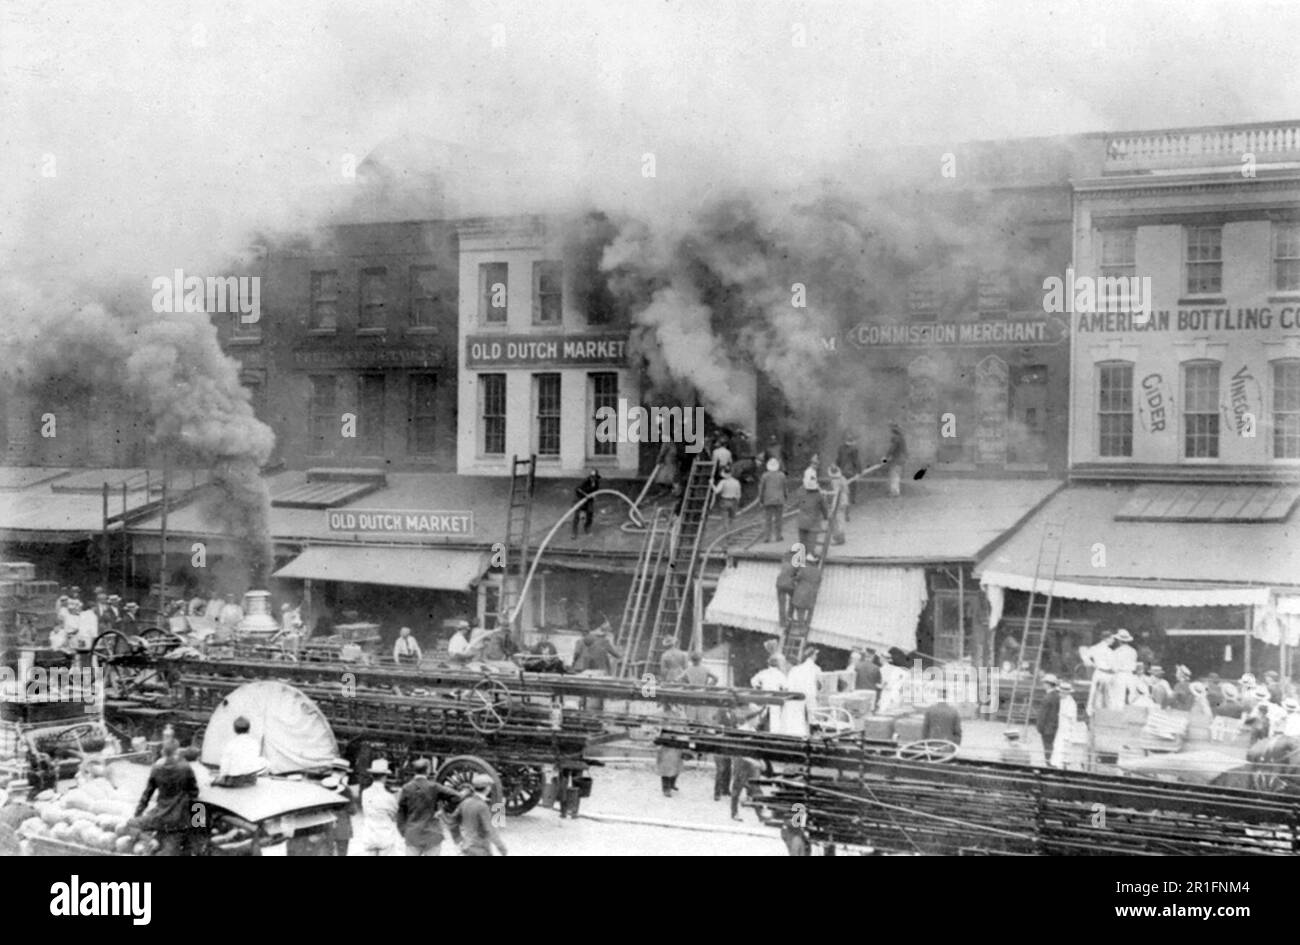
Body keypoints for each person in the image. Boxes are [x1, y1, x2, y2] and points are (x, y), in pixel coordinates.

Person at [134, 739, 200, 856]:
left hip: (160, 816)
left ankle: (152, 842)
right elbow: (194, 792)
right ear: (178, 751)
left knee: (129, 824)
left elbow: (147, 794)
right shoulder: (186, 768)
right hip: (180, 818)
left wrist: (138, 812)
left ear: (163, 752)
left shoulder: (156, 768)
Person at [396, 758, 460, 856]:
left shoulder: (406, 788)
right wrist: (444, 810)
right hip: (432, 835)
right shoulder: (434, 787)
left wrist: (404, 832)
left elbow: (400, 813)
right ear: (428, 770)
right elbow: (456, 797)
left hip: (413, 834)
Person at [454, 774, 508, 855]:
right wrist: (501, 848)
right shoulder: (482, 806)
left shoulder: (465, 802)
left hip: (466, 847)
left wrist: (459, 840)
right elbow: (490, 830)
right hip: (480, 849)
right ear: (487, 789)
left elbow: (452, 821)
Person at [359, 759, 401, 856]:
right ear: (385, 777)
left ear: (372, 775)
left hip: (369, 835)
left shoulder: (365, 793)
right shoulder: (389, 797)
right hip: (385, 836)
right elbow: (395, 815)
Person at [215, 716, 269, 787]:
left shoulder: (231, 744)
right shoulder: (254, 743)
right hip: (251, 779)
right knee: (264, 761)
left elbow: (225, 764)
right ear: (248, 729)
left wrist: (221, 777)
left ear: (235, 730)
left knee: (217, 780)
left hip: (236, 781)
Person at [784, 648, 820, 737]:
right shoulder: (817, 669)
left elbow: (788, 686)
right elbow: (820, 685)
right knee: (812, 717)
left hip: (797, 698)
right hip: (811, 697)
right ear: (812, 656)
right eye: (815, 655)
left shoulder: (796, 669)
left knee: (798, 720)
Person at [322, 771, 356, 856]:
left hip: (326, 828)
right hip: (343, 827)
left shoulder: (323, 790)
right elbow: (353, 810)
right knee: (342, 853)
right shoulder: (346, 790)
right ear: (343, 772)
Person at [795, 468, 827, 556]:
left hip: (801, 521)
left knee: (802, 540)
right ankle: (810, 556)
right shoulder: (818, 496)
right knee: (811, 540)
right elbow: (824, 508)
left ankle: (802, 556)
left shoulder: (801, 493)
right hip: (813, 522)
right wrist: (826, 516)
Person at [758, 458, 787, 543]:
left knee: (768, 519)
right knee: (779, 519)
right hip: (779, 500)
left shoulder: (765, 475)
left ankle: (767, 537)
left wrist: (761, 499)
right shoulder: (782, 475)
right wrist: (785, 497)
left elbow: (761, 489)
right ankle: (778, 536)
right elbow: (785, 488)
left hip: (768, 500)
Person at [1051, 682, 1079, 768]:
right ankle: (1056, 765)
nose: (1060, 694)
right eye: (1060, 692)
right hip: (1061, 729)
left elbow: (1071, 720)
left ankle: (1061, 767)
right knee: (1057, 747)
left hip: (1066, 730)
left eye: (1062, 692)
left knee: (1062, 749)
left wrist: (1069, 734)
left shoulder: (1071, 703)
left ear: (1066, 693)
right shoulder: (1062, 701)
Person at [1036, 675, 1061, 764]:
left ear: (1049, 684)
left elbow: (1042, 715)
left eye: (1044, 683)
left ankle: (1049, 764)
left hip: (1047, 728)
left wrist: (1039, 727)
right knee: (1053, 747)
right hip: (1055, 727)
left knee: (1047, 748)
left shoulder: (1047, 697)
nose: (1043, 684)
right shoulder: (1058, 696)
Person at [789, 560, 821, 627]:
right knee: (810, 609)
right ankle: (808, 623)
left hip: (802, 592)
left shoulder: (804, 569)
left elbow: (798, 577)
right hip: (812, 593)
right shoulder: (818, 571)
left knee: (801, 610)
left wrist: (792, 579)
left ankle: (801, 627)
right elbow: (819, 581)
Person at [572, 469, 601, 538]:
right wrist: (585, 495)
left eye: (594, 477)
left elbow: (595, 490)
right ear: (590, 477)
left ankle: (587, 528)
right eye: (592, 477)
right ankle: (574, 533)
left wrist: (594, 495)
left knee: (590, 514)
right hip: (580, 499)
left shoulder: (596, 482)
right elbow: (577, 489)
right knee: (577, 516)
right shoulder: (585, 481)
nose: (593, 478)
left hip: (589, 500)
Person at [775, 552, 800, 629]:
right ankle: (789, 616)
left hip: (779, 583)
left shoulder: (784, 562)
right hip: (788, 584)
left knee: (781, 604)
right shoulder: (795, 564)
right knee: (793, 598)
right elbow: (798, 575)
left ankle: (782, 622)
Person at [883, 422, 907, 498]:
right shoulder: (901, 437)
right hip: (901, 458)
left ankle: (894, 492)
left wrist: (885, 457)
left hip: (897, 459)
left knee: (894, 475)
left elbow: (892, 449)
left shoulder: (896, 438)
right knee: (896, 475)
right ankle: (895, 491)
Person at [826, 464, 849, 544]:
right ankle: (841, 537)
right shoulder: (843, 478)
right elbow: (847, 491)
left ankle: (838, 538)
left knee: (836, 519)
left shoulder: (834, 481)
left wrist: (833, 506)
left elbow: (836, 493)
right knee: (841, 519)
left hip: (839, 500)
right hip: (844, 500)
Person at [836, 435, 861, 506]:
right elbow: (856, 461)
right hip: (850, 472)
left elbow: (838, 460)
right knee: (853, 485)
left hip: (842, 471)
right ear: (852, 441)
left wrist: (838, 469)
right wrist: (859, 472)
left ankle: (841, 500)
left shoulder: (840, 448)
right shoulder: (854, 449)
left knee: (842, 486)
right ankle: (852, 500)